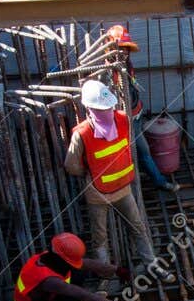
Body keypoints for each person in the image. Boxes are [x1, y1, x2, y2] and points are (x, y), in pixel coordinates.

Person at [65, 80, 159, 277]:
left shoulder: (123, 120)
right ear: (89, 108)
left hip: (121, 188)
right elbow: (71, 166)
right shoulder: (83, 133)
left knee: (133, 229)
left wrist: (92, 173)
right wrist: (93, 173)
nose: (106, 112)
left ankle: (149, 265)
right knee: (105, 237)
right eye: (102, 108)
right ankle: (108, 276)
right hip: (100, 194)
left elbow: (75, 167)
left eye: (108, 108)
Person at [102, 23, 176, 193]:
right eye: (121, 49)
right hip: (121, 121)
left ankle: (145, 177)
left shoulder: (127, 65)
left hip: (135, 115)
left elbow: (132, 88)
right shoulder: (107, 72)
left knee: (140, 152)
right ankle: (157, 182)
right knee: (140, 152)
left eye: (126, 49)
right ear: (111, 49)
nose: (125, 53)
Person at [13, 233, 125, 301]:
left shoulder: (49, 256)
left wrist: (116, 269)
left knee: (77, 274)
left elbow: (86, 263)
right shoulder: (49, 280)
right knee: (71, 299)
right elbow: (83, 295)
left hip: (43, 298)